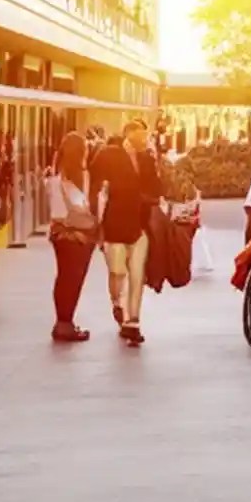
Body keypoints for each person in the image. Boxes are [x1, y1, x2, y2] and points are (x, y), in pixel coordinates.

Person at [88, 118, 163, 346]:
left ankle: (133, 321)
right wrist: (95, 219)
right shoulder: (109, 155)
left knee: (137, 272)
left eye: (145, 136)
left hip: (140, 224)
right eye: (140, 135)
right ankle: (117, 303)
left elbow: (156, 188)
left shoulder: (147, 159)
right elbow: (94, 186)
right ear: (128, 134)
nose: (144, 140)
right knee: (118, 271)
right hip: (114, 224)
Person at [47, 132, 96, 342]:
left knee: (65, 278)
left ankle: (64, 321)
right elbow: (68, 211)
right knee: (71, 280)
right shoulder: (71, 179)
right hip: (74, 236)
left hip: (65, 235)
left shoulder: (57, 177)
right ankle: (64, 323)